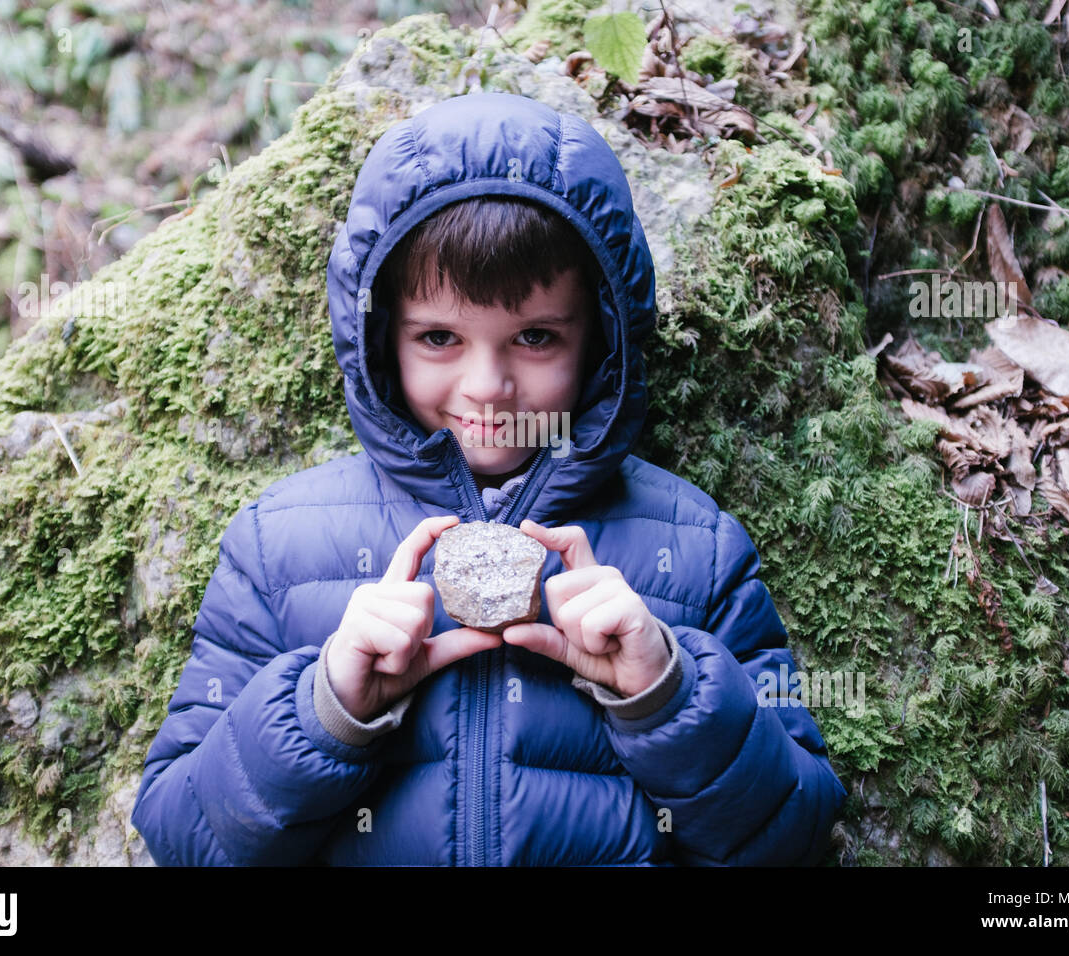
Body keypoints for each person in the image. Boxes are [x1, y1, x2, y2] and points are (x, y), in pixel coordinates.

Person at [130, 90, 847, 866]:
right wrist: (326, 710)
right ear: (377, 337)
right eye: (438, 336)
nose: (487, 386)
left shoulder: (696, 548)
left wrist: (663, 694)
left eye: (535, 336)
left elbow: (794, 837)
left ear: (604, 335)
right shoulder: (280, 546)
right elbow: (181, 832)